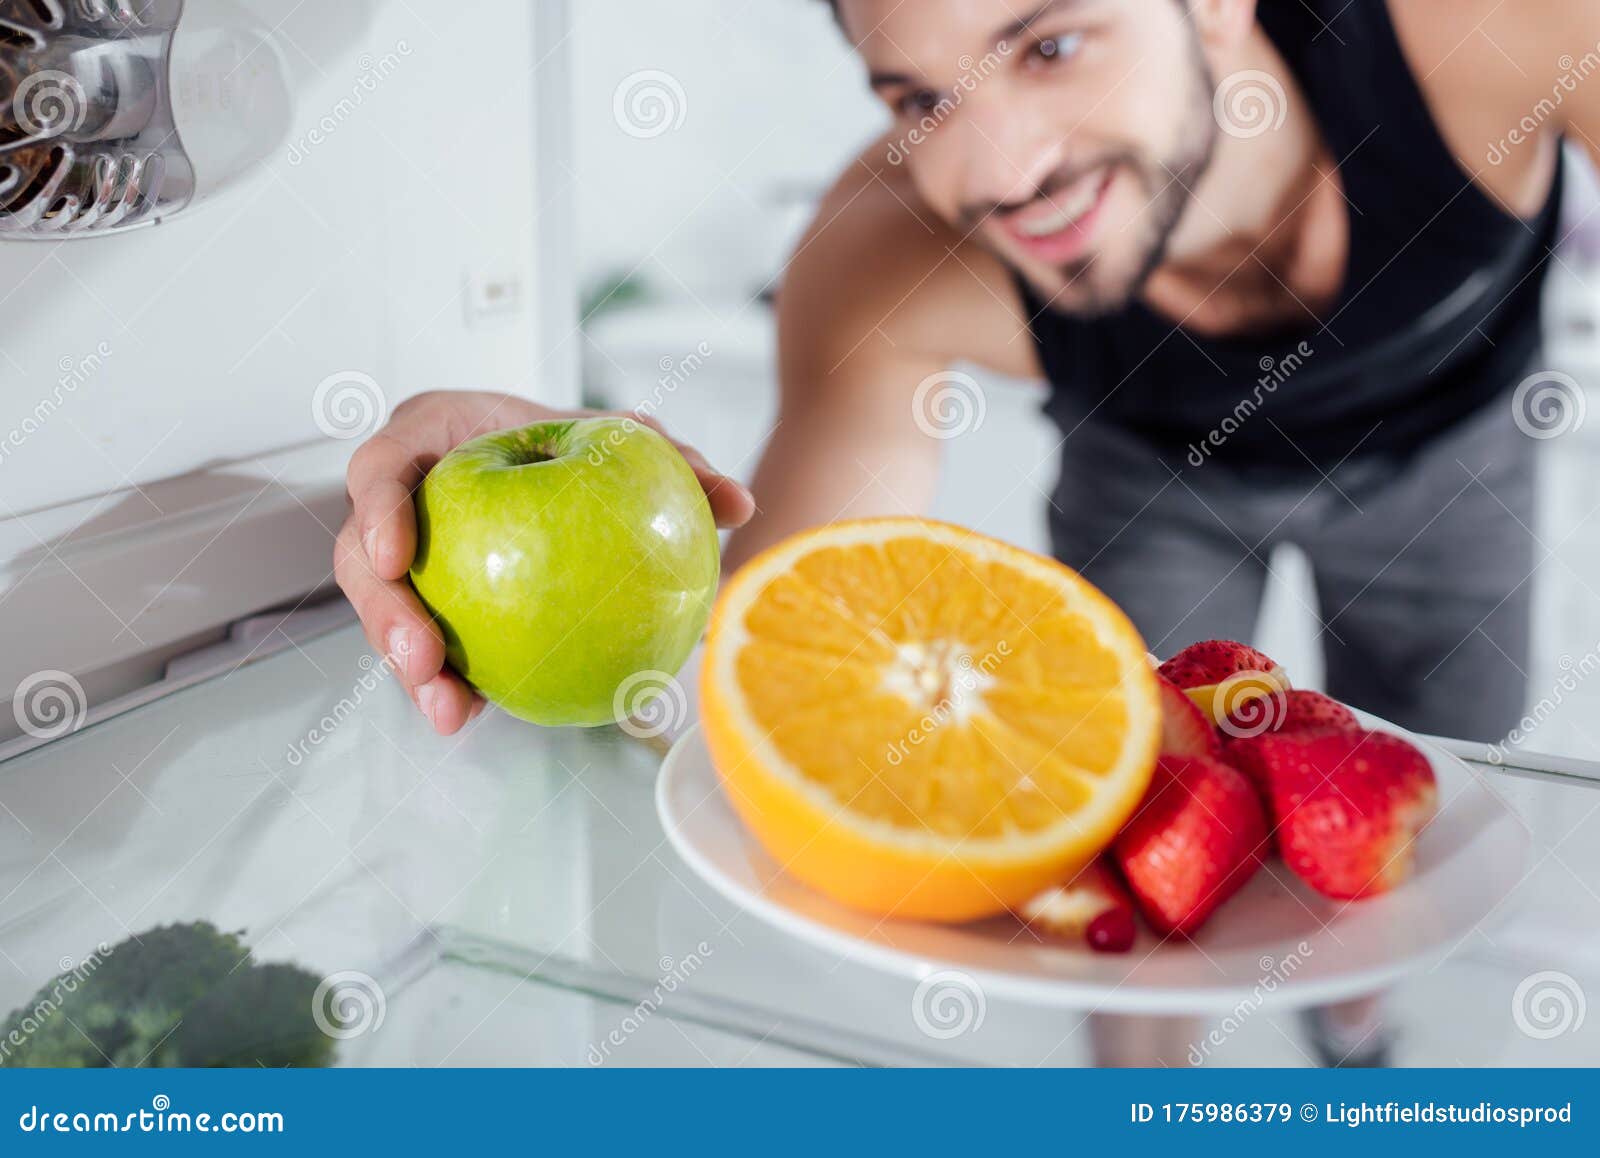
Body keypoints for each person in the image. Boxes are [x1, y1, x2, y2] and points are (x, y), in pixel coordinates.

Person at [336, 0, 1586, 747]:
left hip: (1457, 455)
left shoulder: (1484, 36)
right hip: (1155, 475)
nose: (996, 172)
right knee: (1117, 786)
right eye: (923, 98)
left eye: (1046, 46)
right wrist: (555, 541)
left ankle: (1360, 1023)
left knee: (1446, 769)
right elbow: (757, 667)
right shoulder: (889, 262)